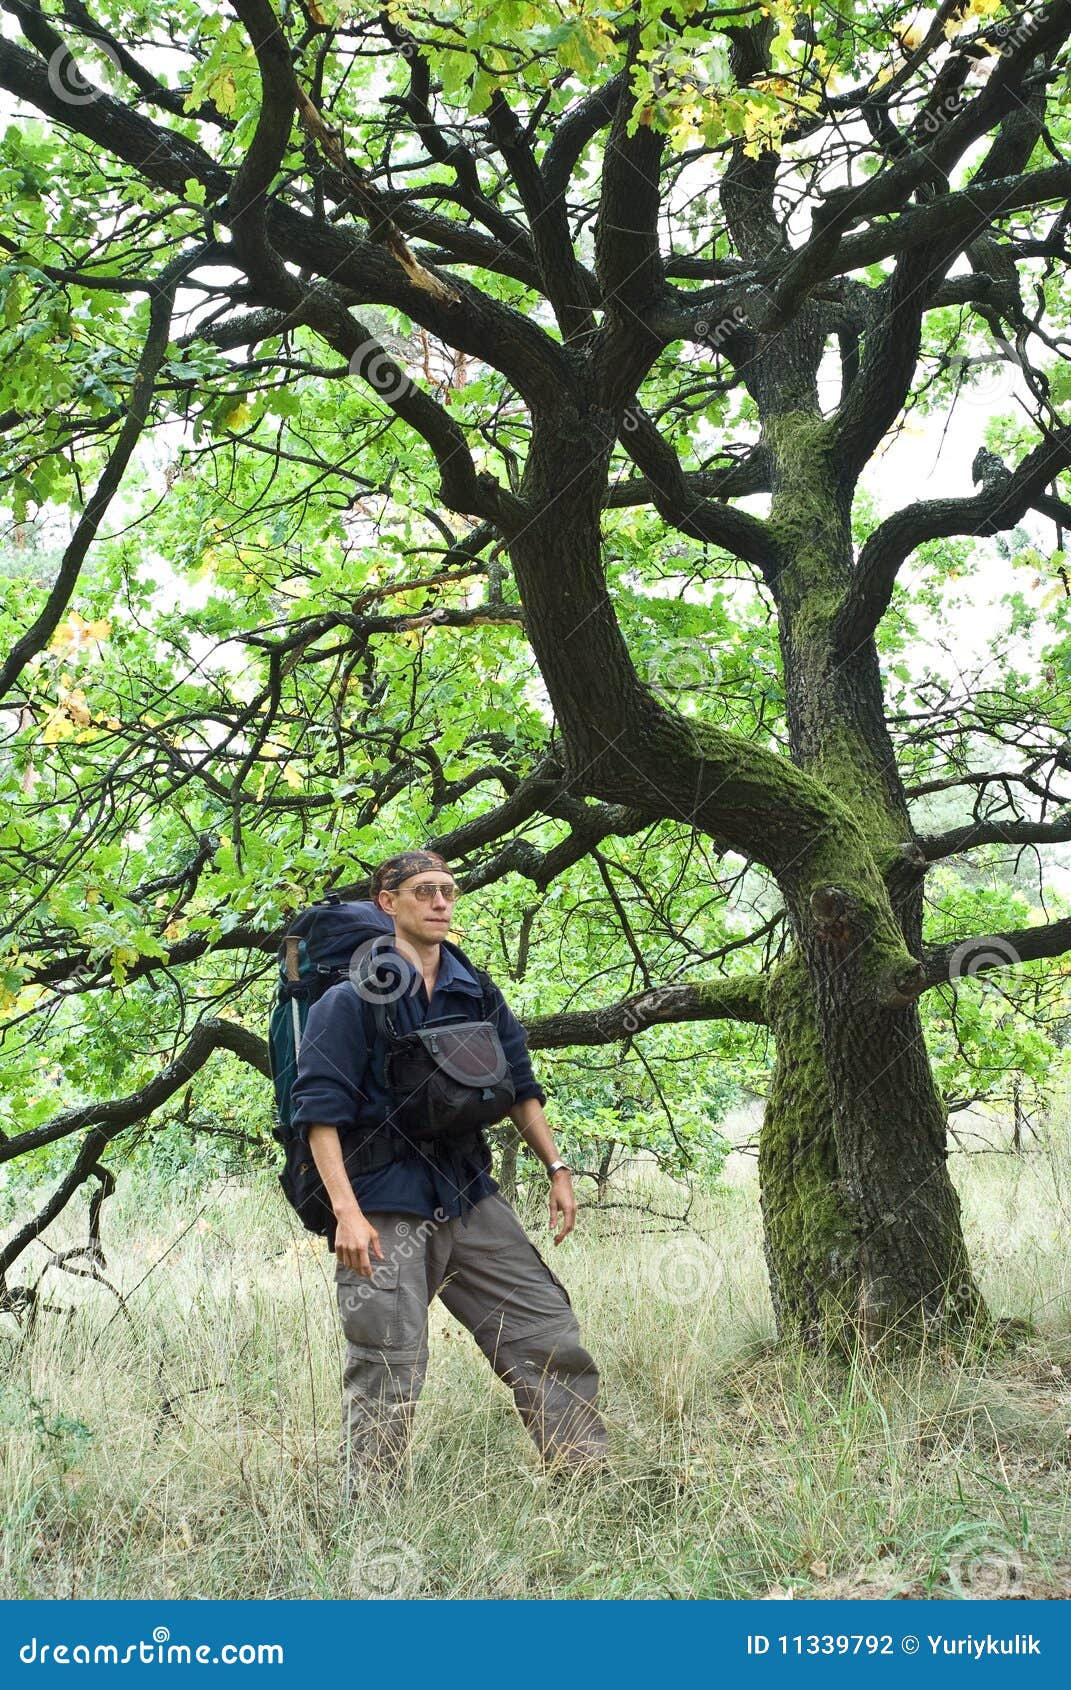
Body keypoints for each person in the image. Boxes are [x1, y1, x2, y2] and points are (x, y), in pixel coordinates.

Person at [289, 849, 610, 1494]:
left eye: (448, 892)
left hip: (466, 1193)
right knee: (388, 1361)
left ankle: (587, 1480)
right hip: (384, 1203)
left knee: (544, 1328)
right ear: (389, 903)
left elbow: (519, 1084)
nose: (440, 903)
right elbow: (316, 1116)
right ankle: (373, 1513)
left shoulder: (474, 988)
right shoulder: (350, 1000)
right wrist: (346, 1214)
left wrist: (557, 1166)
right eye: (423, 892)